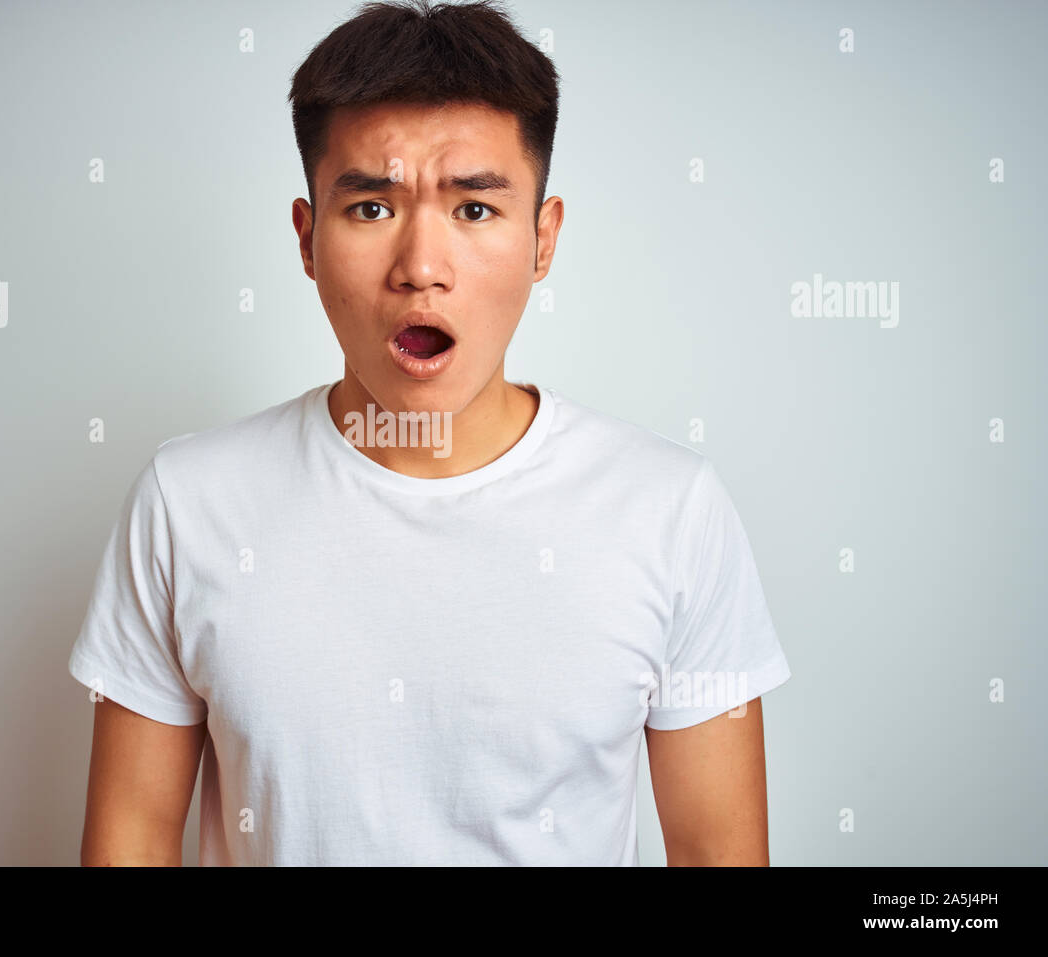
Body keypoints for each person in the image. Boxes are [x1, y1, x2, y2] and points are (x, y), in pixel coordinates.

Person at [69, 0, 791, 866]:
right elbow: (132, 838)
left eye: (475, 210)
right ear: (306, 239)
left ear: (543, 239)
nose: (420, 266)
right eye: (370, 208)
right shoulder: (188, 501)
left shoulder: (670, 509)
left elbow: (719, 851)